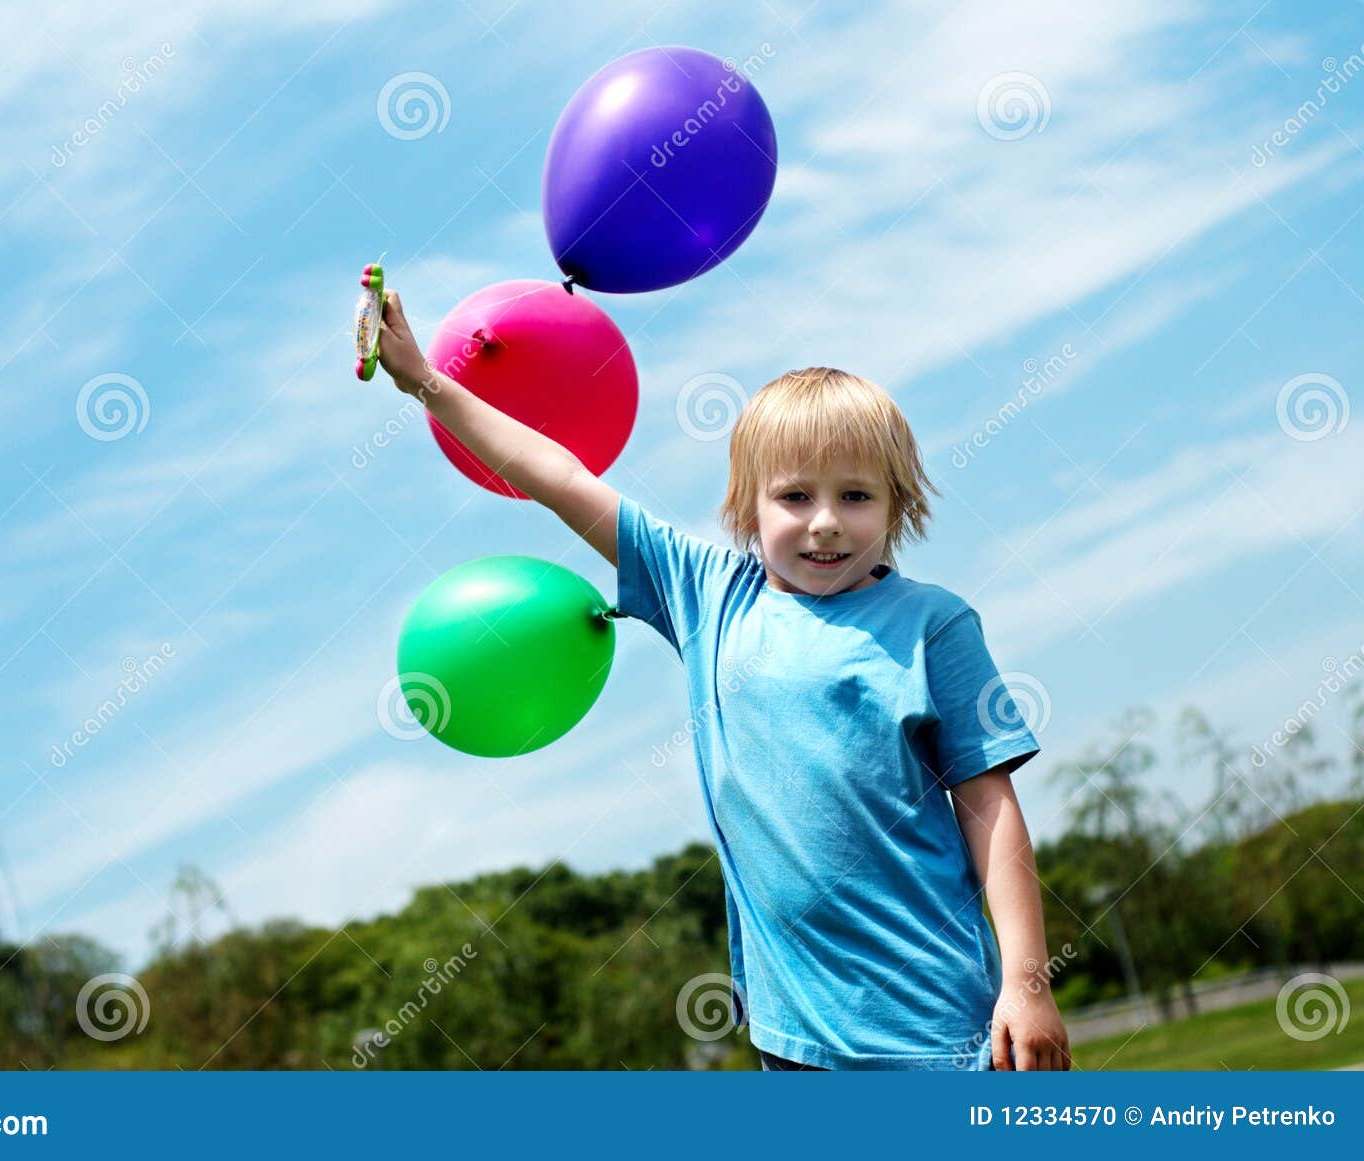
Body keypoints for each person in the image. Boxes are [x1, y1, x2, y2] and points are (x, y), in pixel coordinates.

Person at [375, 290, 1072, 1072]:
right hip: (795, 1040)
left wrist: (1026, 982)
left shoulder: (932, 625)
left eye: (856, 495)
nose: (826, 522)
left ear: (897, 502)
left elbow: (990, 807)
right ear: (747, 505)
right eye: (795, 495)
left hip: (942, 1030)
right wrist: (422, 382)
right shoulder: (707, 593)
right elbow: (557, 474)